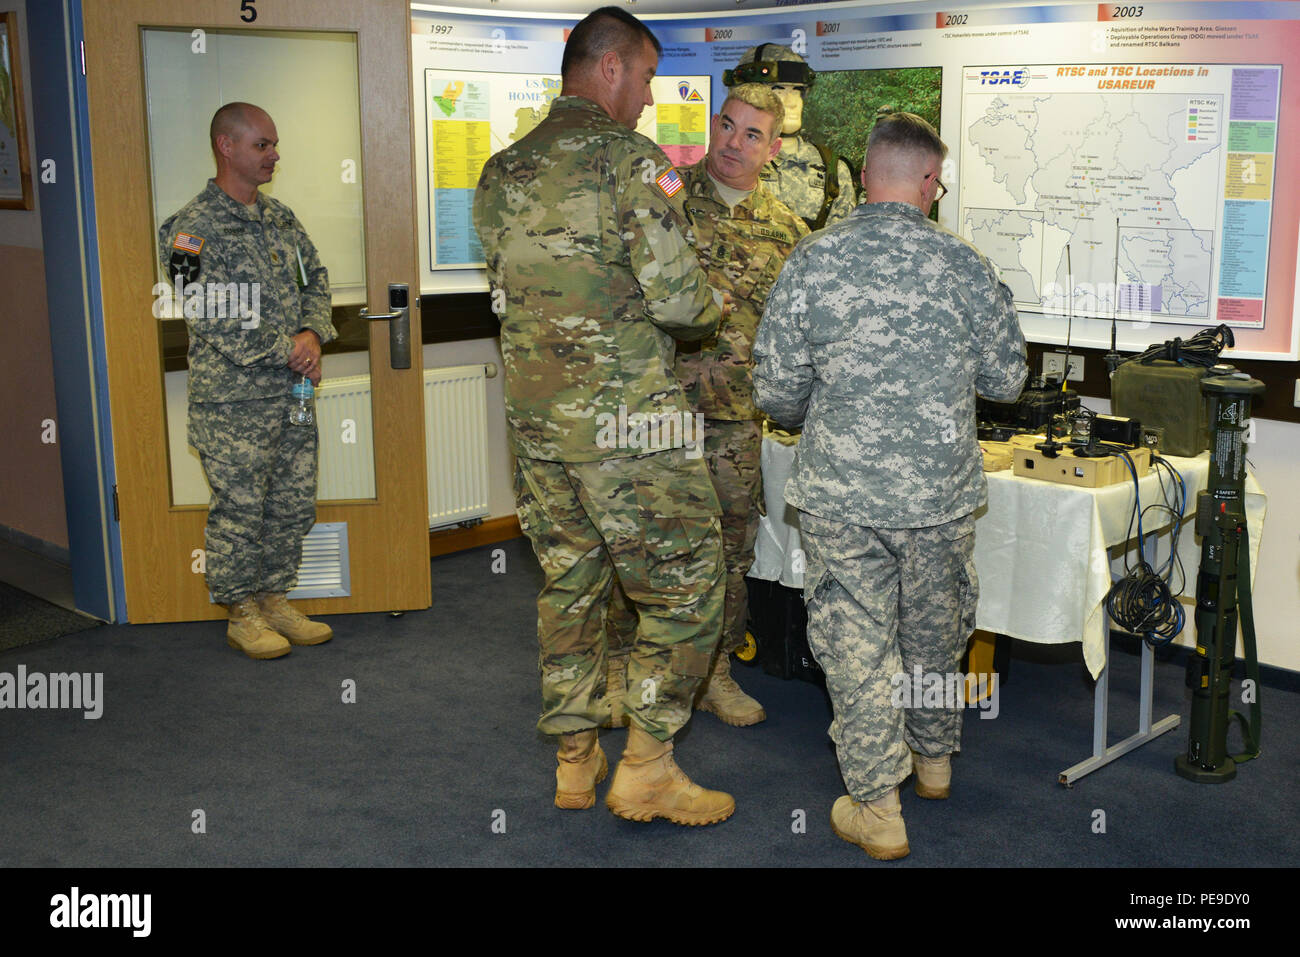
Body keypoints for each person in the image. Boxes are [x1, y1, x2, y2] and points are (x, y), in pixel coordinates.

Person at [473, 7, 734, 826]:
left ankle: (575, 759)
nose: (652, 98)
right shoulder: (632, 163)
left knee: (571, 584)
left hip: (538, 425)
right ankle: (649, 762)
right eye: (650, 77)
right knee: (691, 586)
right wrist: (713, 302)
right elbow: (683, 303)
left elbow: (509, 295)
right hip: (629, 428)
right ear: (613, 68)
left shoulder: (502, 170)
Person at [753, 112, 1027, 859]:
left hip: (843, 495)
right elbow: (1008, 378)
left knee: (858, 645)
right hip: (939, 495)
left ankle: (878, 803)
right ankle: (934, 761)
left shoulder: (812, 260)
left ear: (866, 176)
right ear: (930, 184)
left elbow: (775, 390)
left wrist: (832, 411)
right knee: (936, 628)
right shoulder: (968, 265)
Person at [603, 84, 808, 729]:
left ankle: (715, 671)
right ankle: (614, 666)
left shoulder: (790, 233)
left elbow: (795, 330)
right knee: (636, 538)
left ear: (774, 149)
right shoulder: (660, 196)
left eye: (753, 135)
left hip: (731, 420)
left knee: (728, 548)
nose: (733, 143)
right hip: (653, 404)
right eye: (727, 126)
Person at [159, 102, 336, 661]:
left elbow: (317, 279)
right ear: (225, 146)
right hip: (231, 404)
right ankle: (240, 612)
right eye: (262, 145)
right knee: (239, 508)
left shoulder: (281, 219)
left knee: (291, 501)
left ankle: (274, 597)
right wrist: (290, 349)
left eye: (275, 144)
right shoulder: (188, 232)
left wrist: (312, 332)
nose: (275, 155)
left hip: (294, 394)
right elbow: (207, 311)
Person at [725, 45, 856, 231]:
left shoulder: (832, 171)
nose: (791, 101)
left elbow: (841, 245)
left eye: (797, 90)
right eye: (778, 89)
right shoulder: (729, 161)